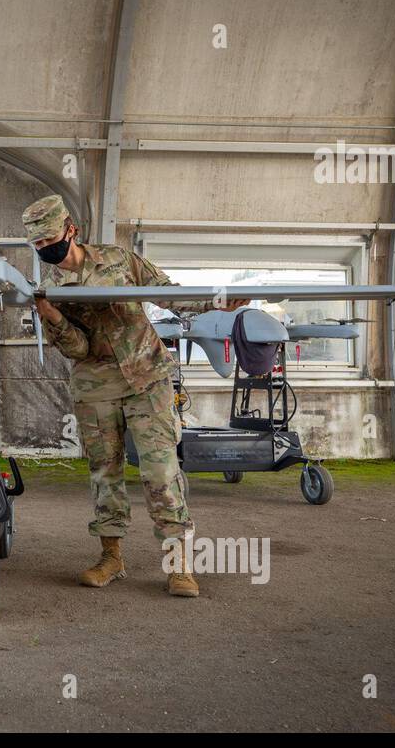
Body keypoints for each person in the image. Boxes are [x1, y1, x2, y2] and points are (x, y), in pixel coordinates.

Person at [22, 195, 246, 596]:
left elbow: (165, 292)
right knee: (104, 473)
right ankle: (111, 557)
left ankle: (178, 564)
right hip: (96, 387)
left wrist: (217, 303)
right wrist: (52, 316)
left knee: (160, 471)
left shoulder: (119, 259)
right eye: (37, 245)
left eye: (50, 239)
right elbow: (78, 349)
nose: (46, 249)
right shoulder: (49, 288)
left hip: (147, 378)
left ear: (70, 229)